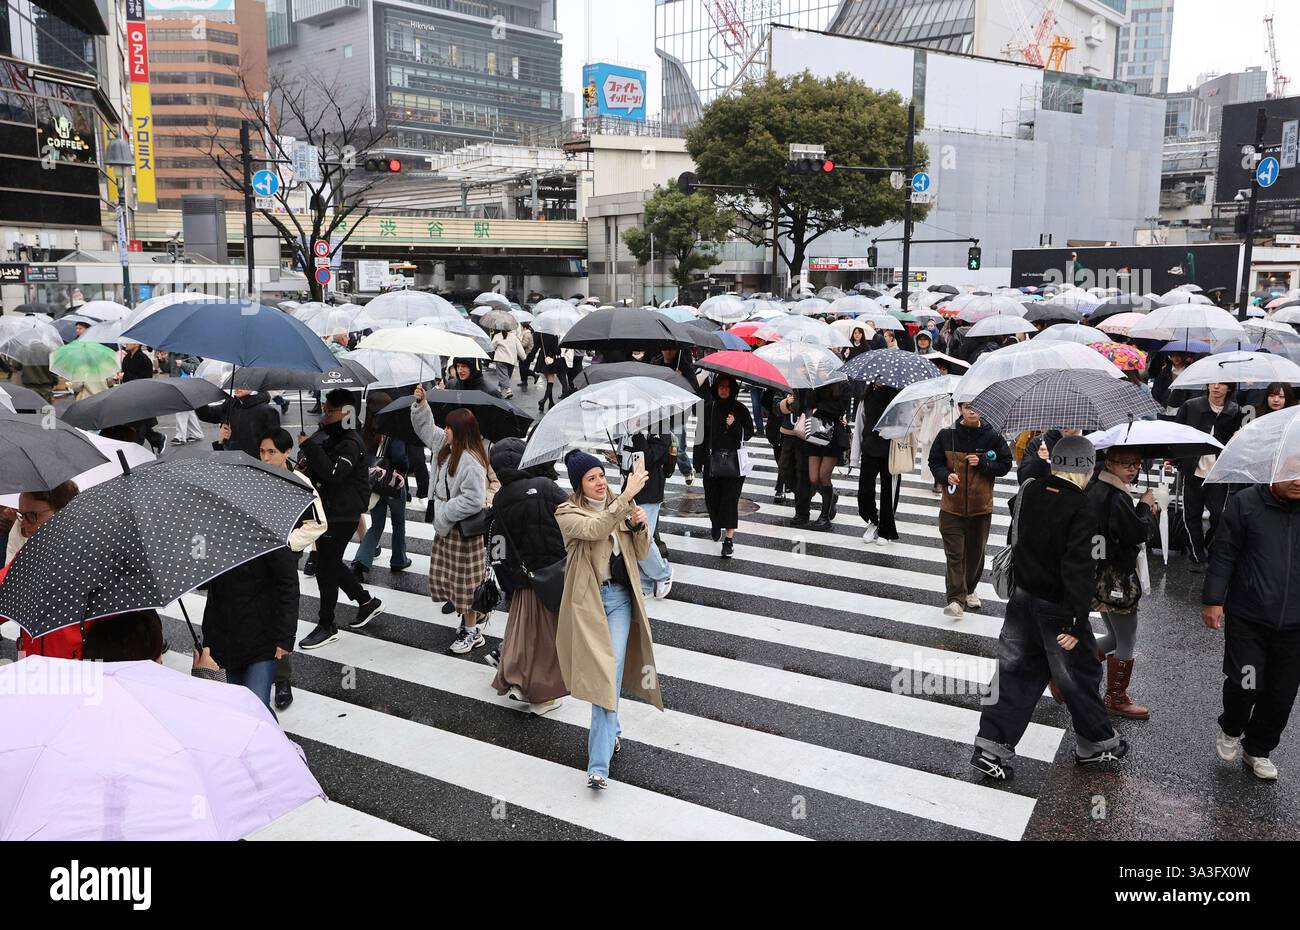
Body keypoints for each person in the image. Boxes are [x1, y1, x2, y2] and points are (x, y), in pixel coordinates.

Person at [971, 436, 1129, 781]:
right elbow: (1077, 568)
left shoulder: (1030, 490)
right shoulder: (1081, 507)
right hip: (1058, 608)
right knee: (1079, 674)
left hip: (1022, 598)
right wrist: (1074, 622)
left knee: (1015, 675)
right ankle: (1098, 743)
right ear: (1086, 468)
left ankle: (990, 748)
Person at [555, 451, 663, 789]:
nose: (600, 482)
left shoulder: (620, 504)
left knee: (607, 674)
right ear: (579, 485)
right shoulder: (567, 512)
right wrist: (626, 498)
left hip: (618, 600)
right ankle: (612, 731)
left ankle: (598, 765)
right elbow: (594, 529)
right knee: (604, 675)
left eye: (602, 475)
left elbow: (641, 553)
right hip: (588, 603)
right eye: (591, 478)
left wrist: (640, 526)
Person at [1202, 475, 1300, 781]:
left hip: (1295, 623)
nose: (1299, 481)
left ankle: (1258, 749)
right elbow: (1224, 554)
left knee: (1281, 693)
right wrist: (1213, 600)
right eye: (1292, 473)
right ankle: (1232, 726)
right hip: (1249, 615)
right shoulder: (1246, 503)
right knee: (1247, 681)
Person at [296, 389, 383, 649]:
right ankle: (366, 601)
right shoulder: (335, 436)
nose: (324, 414)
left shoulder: (351, 441)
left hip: (343, 513)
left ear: (345, 412)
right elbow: (323, 469)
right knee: (329, 563)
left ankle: (327, 624)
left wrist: (309, 447)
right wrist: (306, 464)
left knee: (326, 569)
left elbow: (334, 473)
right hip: (329, 509)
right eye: (324, 408)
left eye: (329, 410)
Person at [489, 437, 568, 712]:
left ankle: (516, 679)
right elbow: (572, 519)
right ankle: (542, 695)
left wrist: (508, 579)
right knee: (548, 637)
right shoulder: (546, 487)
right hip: (554, 573)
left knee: (522, 631)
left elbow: (497, 546)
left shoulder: (501, 498)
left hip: (524, 578)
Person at [410, 387, 492, 654]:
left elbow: (473, 499)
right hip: (450, 530)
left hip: (461, 531)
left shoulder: (471, 460)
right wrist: (421, 404)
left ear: (460, 430)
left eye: (449, 427)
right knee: (457, 584)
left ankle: (471, 632)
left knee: (466, 586)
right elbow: (425, 429)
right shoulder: (446, 447)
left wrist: (444, 512)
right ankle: (470, 625)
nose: (444, 430)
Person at [1087, 447, 1158, 720]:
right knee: (1126, 638)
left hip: (1101, 573)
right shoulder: (1115, 497)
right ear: (1110, 463)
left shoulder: (1098, 488)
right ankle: (1115, 697)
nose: (1133, 469)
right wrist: (1144, 507)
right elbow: (1137, 533)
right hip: (1117, 578)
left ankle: (1067, 670)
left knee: (1115, 636)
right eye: (1126, 464)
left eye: (1137, 464)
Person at [258, 427, 326, 709]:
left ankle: (282, 678)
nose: (265, 457)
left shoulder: (300, 483)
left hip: (283, 557)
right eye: (262, 451)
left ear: (287, 452)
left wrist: (287, 543)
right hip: (254, 556)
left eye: (272, 452)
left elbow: (318, 524)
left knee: (279, 612)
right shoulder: (254, 477)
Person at [928, 402, 1013, 618]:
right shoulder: (947, 435)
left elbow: (1005, 465)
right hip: (951, 508)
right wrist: (945, 475)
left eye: (976, 406)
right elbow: (934, 461)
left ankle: (969, 588)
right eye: (967, 407)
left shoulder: (992, 435)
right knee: (955, 555)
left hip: (980, 508)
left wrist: (983, 462)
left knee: (975, 555)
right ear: (960, 409)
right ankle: (956, 600)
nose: (972, 410)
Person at [2, 481, 97, 659]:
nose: (23, 525)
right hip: (33, 667)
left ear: (63, 511)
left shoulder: (96, 559)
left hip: (78, 672)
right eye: (21, 515)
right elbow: (5, 589)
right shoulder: (32, 554)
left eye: (31, 515)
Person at [200, 543, 297, 710]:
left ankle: (273, 736)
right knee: (231, 707)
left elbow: (288, 585)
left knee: (256, 706)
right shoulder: (210, 534)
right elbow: (203, 583)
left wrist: (286, 636)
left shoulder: (266, 535)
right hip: (221, 638)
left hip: (262, 638)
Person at [1175, 383, 1241, 571]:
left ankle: (1211, 548)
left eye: (1222, 384)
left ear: (1229, 388)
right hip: (1193, 468)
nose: (1216, 387)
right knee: (1191, 514)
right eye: (1213, 383)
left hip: (1220, 472)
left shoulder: (1235, 410)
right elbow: (1176, 433)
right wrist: (1176, 459)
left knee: (1220, 515)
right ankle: (1196, 556)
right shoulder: (1191, 406)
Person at [351, 393, 412, 579]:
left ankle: (361, 562)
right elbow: (400, 459)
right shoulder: (394, 430)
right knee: (398, 522)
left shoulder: (365, 431)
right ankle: (398, 559)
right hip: (393, 483)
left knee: (377, 525)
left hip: (374, 484)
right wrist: (406, 467)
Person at [607, 431, 675, 597]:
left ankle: (663, 573)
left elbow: (650, 458)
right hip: (629, 490)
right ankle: (644, 582)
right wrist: (619, 458)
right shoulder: (626, 428)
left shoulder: (660, 427)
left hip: (648, 491)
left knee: (644, 538)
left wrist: (638, 435)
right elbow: (630, 458)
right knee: (633, 537)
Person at [692, 374, 754, 556]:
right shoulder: (707, 409)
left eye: (727, 386)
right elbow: (699, 437)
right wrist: (697, 462)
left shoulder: (740, 409)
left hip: (734, 466)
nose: (724, 389)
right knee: (712, 500)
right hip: (711, 464)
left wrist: (734, 425)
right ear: (716, 388)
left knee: (729, 501)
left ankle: (728, 540)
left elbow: (749, 433)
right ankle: (715, 522)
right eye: (721, 386)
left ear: (733, 389)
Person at [855, 382, 900, 545]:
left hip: (892, 450)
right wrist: (855, 455)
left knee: (889, 491)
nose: (880, 379)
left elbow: (909, 423)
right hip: (869, 447)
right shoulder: (866, 397)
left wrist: (890, 431)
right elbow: (860, 424)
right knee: (865, 490)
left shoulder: (899, 396)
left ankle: (885, 529)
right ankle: (873, 520)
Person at [804, 379, 849, 531]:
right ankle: (831, 496)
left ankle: (824, 517)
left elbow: (840, 409)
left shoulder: (843, 385)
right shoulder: (817, 382)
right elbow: (808, 403)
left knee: (824, 476)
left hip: (833, 434)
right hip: (816, 431)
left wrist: (820, 407)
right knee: (813, 478)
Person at [198, 389, 281, 459]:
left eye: (244, 385)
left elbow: (275, 444)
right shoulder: (231, 404)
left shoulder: (267, 411)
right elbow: (208, 415)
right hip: (231, 459)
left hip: (256, 463)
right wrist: (199, 399)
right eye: (237, 384)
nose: (238, 388)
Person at [1017, 428, 1083, 484]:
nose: (1064, 425)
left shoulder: (1091, 442)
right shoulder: (1039, 443)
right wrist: (1039, 460)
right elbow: (1023, 479)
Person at [491, 327, 525, 399]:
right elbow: (520, 348)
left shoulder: (497, 336)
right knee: (506, 376)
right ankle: (500, 390)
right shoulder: (514, 337)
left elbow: (492, 347)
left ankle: (508, 390)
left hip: (500, 359)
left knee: (503, 376)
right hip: (511, 360)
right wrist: (524, 357)